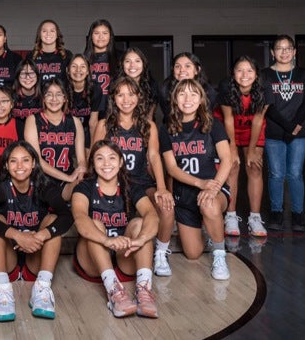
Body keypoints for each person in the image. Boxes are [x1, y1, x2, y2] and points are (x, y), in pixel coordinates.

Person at [0, 141, 74, 321]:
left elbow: (67, 216)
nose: (20, 166)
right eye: (13, 161)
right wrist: (17, 235)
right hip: (9, 260)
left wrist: (40, 235)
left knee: (53, 220)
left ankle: (43, 288)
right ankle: (3, 290)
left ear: (34, 164)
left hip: (34, 256)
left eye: (25, 160)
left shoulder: (44, 187)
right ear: (6, 165)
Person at [71, 141, 160, 318]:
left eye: (112, 158)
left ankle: (144, 291)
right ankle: (114, 292)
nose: (106, 164)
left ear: (120, 162)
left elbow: (152, 215)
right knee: (95, 224)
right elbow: (80, 220)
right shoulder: (84, 187)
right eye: (100, 158)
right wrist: (106, 240)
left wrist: (141, 239)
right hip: (93, 259)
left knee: (139, 223)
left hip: (123, 256)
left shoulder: (130, 186)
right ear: (93, 164)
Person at [94, 77, 172, 277]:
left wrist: (162, 187)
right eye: (120, 94)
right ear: (113, 98)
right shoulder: (104, 124)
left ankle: (161, 254)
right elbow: (94, 156)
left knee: (165, 205)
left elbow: (154, 156)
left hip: (141, 181)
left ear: (139, 97)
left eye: (131, 94)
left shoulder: (148, 125)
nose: (126, 99)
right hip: (112, 182)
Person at [159, 79, 232, 281]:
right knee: (193, 253)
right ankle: (210, 225)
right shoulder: (166, 129)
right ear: (175, 99)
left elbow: (227, 160)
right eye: (182, 94)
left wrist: (213, 188)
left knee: (208, 205)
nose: (187, 99)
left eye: (193, 94)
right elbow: (172, 169)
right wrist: (200, 184)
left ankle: (219, 254)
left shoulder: (212, 124)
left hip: (214, 190)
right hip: (186, 194)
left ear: (201, 99)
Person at [262, 36, 305, 232]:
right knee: (276, 174)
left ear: (294, 52)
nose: (284, 52)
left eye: (288, 48)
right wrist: (287, 127)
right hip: (274, 132)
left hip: (300, 133)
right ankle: (276, 212)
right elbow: (269, 106)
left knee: (295, 173)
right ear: (273, 52)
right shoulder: (265, 74)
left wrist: (296, 127)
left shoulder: (303, 74)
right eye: (279, 48)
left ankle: (298, 214)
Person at [218, 56, 268, 238]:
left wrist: (252, 151)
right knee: (232, 166)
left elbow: (258, 120)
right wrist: (232, 150)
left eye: (249, 70)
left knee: (254, 167)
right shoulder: (226, 87)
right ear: (233, 73)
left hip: (251, 129)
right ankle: (231, 216)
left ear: (256, 74)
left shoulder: (264, 88)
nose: (244, 74)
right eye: (240, 70)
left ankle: (255, 218)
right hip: (229, 128)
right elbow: (228, 119)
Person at [24, 78, 86, 193]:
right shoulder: (32, 120)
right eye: (49, 95)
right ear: (43, 98)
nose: (54, 99)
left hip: (66, 182)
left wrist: (78, 176)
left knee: (81, 186)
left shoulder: (75, 122)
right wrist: (68, 177)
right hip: (41, 181)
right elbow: (37, 161)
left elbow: (82, 160)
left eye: (58, 94)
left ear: (65, 98)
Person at [159, 52, 218, 120]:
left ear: (197, 70)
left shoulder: (208, 91)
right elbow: (168, 115)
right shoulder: (165, 89)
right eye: (177, 66)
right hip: (173, 125)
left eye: (187, 66)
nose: (182, 70)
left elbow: (206, 115)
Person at [67, 54, 102, 154]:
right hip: (66, 131)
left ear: (87, 71)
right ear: (68, 70)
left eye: (82, 66)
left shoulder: (95, 89)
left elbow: (93, 122)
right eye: (74, 66)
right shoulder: (62, 88)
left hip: (86, 130)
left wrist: (92, 148)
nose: (78, 70)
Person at [83, 19, 119, 104]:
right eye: (96, 33)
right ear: (91, 36)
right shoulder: (84, 59)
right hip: (90, 108)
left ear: (110, 36)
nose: (101, 37)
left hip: (114, 108)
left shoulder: (120, 57)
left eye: (105, 33)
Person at [121, 47, 160, 120]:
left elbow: (149, 117)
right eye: (127, 61)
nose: (132, 65)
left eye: (137, 61)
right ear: (122, 64)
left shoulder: (152, 85)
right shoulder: (114, 85)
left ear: (143, 64)